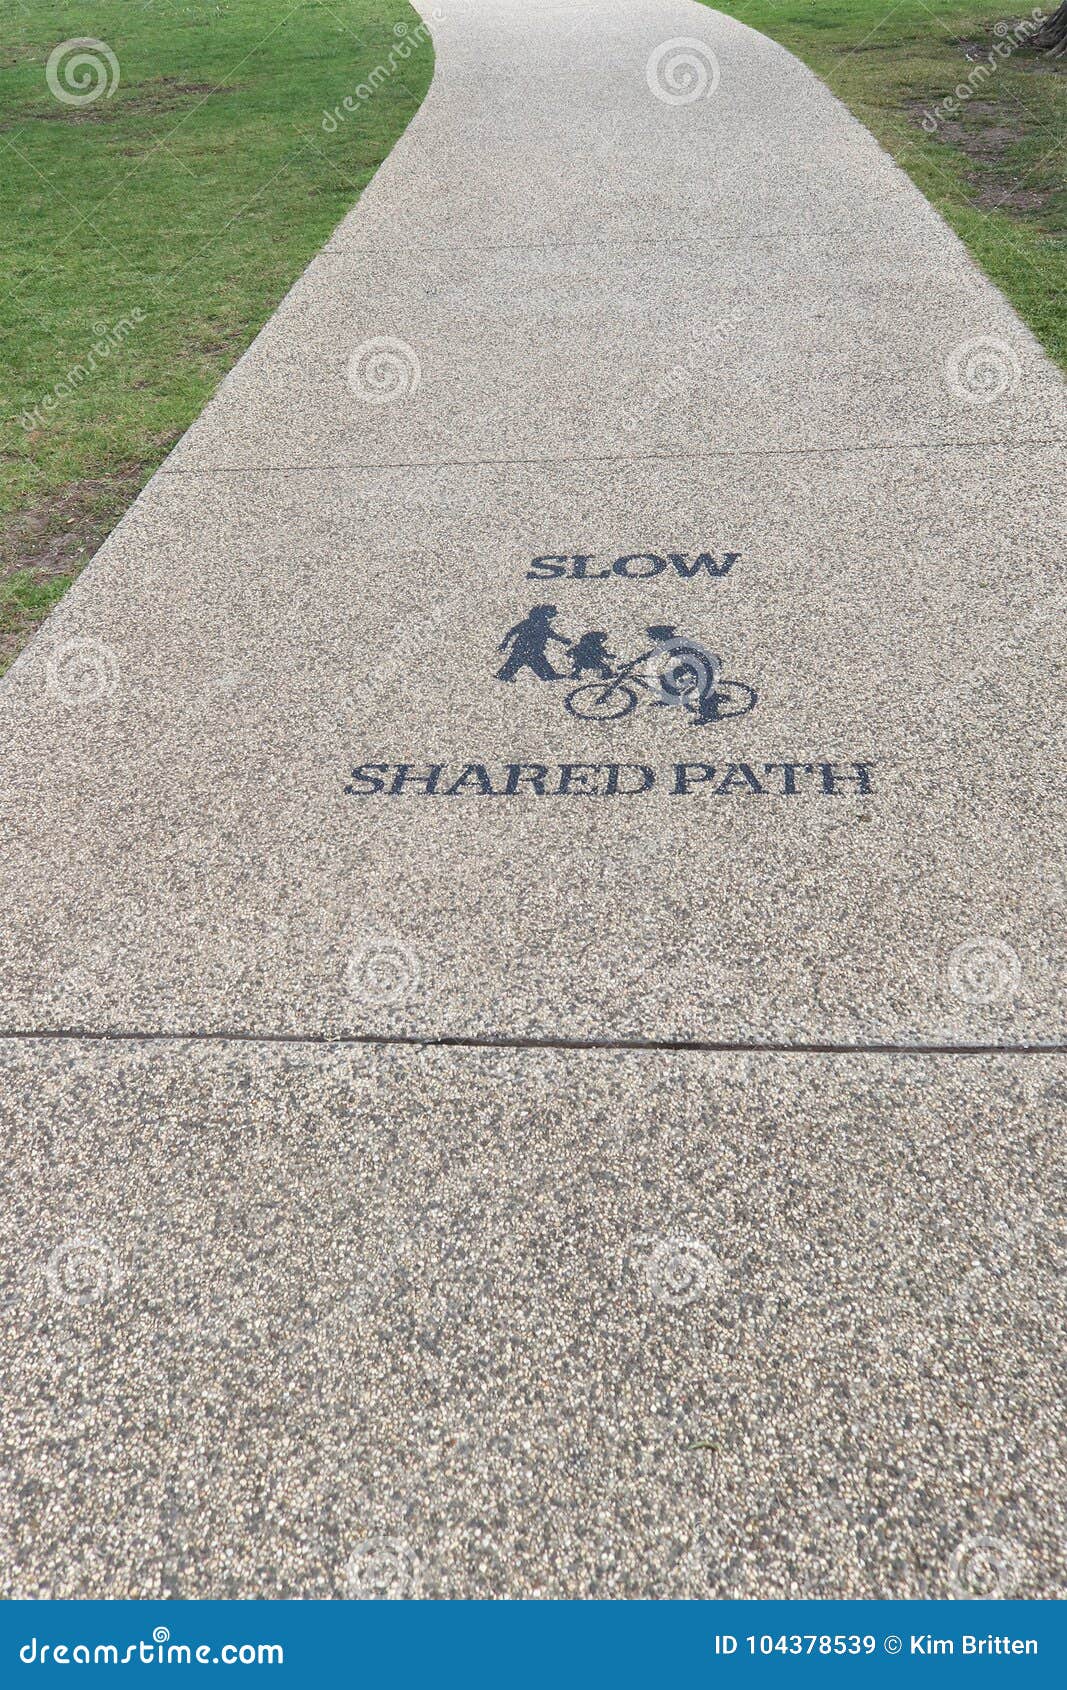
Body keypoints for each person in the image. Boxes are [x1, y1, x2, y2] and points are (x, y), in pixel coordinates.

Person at [496, 605, 573, 682]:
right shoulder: (540, 625)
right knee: (531, 662)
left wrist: (505, 643)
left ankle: (503, 675)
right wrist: (563, 640)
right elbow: (552, 635)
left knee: (516, 662)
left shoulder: (532, 623)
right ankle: (549, 675)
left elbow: (512, 632)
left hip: (524, 649)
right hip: (530, 650)